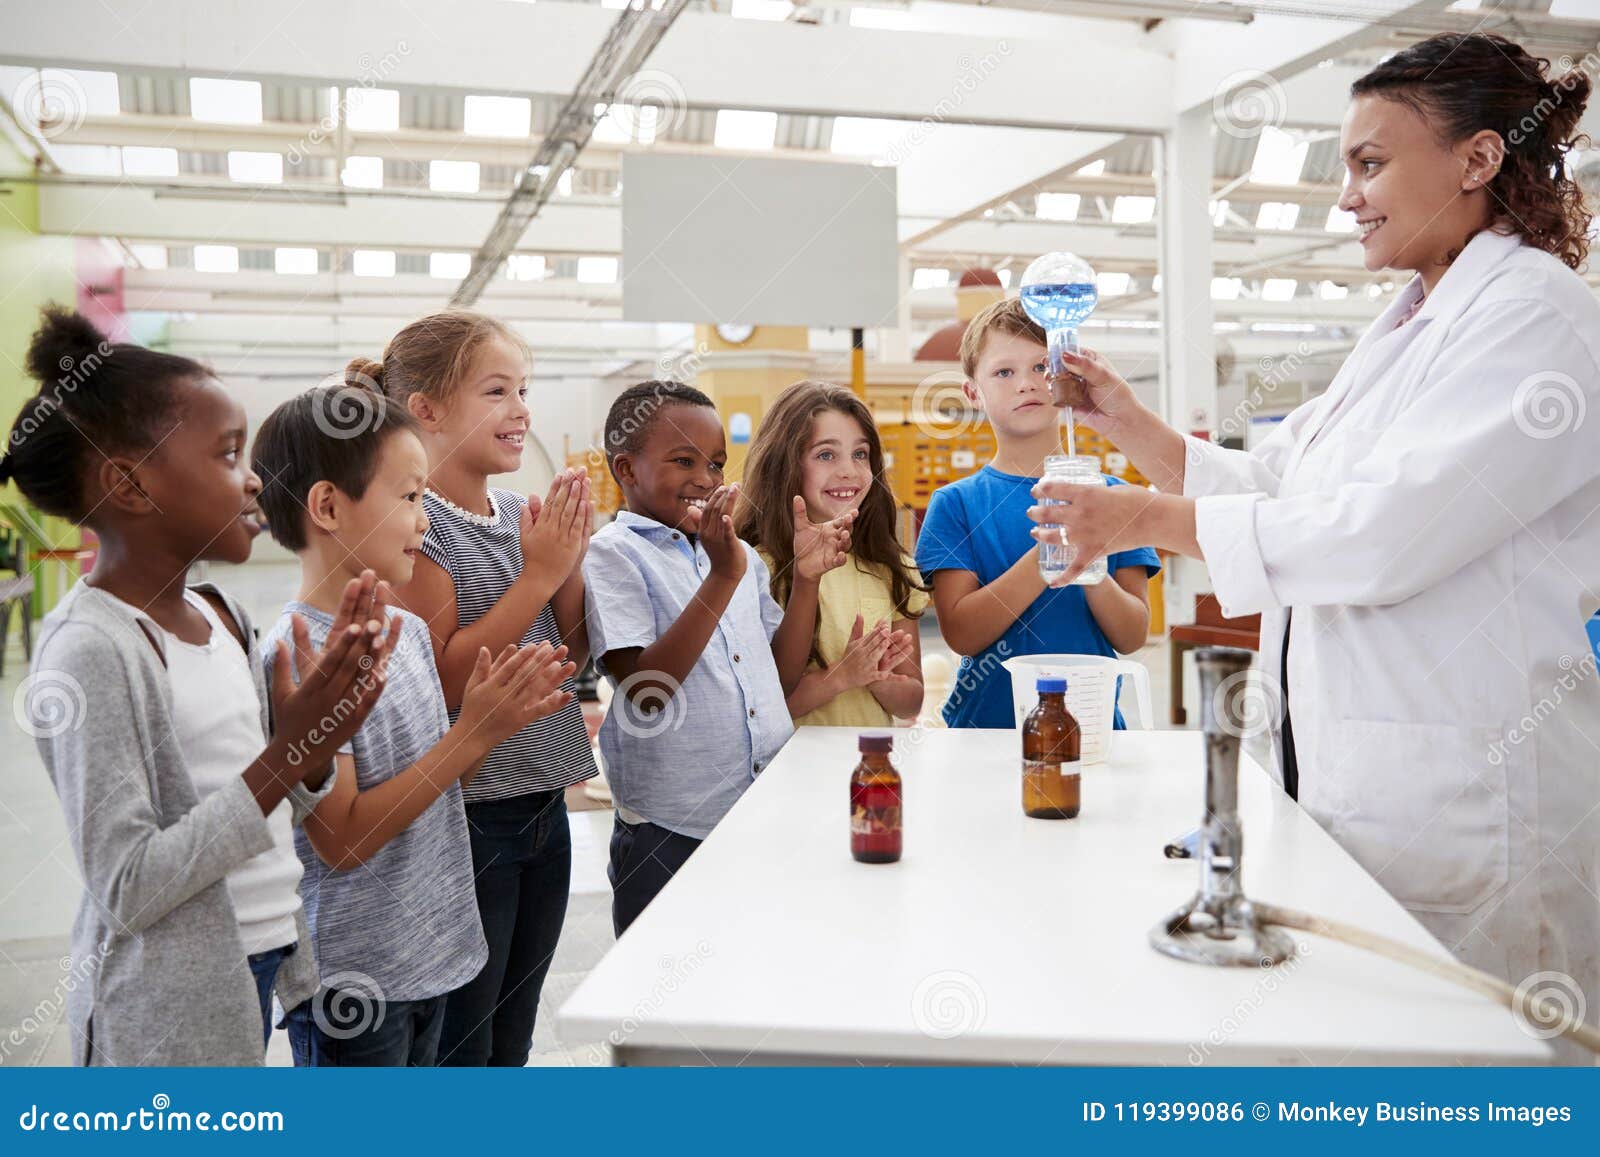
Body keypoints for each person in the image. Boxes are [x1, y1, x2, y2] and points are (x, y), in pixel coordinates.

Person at [1032, 33, 1600, 1057]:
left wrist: (1140, 521)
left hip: (1470, 797)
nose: (1345, 198)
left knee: (1494, 1081)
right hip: (1361, 781)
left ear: (1477, 160)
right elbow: (1288, 489)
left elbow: (1380, 535)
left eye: (1369, 163)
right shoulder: (1408, 323)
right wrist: (1129, 425)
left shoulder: (1537, 320)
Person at [3, 307, 391, 1065]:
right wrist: (285, 753)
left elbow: (265, 796)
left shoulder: (223, 616)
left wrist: (317, 743)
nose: (252, 479)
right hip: (163, 1008)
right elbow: (129, 883)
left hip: (259, 962)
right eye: (227, 454)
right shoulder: (92, 649)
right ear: (130, 485)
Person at [253, 376, 574, 1066]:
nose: (425, 518)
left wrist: (500, 716)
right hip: (358, 981)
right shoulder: (298, 654)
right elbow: (341, 839)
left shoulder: (404, 629)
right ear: (329, 506)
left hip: (436, 955)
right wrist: (475, 731)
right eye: (409, 496)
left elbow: (444, 781)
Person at [381, 311, 597, 1066]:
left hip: (545, 801)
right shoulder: (420, 529)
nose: (521, 410)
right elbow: (443, 674)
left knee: (515, 1032)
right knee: (466, 1039)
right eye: (497, 391)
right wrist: (539, 570)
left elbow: (567, 649)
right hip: (473, 815)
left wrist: (570, 563)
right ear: (427, 410)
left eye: (524, 390)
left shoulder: (518, 514)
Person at [582, 380, 851, 934]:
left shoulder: (739, 555)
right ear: (626, 470)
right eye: (684, 461)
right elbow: (647, 691)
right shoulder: (615, 554)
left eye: (717, 463)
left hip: (764, 807)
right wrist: (722, 575)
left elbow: (778, 676)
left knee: (755, 968)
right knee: (661, 981)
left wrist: (803, 581)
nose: (706, 479)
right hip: (670, 829)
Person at [915, 297, 1161, 728]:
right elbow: (963, 635)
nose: (1026, 384)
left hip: (1090, 729)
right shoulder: (955, 505)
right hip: (984, 736)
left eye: (1042, 368)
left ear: (1071, 381)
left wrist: (1092, 567)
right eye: (1004, 372)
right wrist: (1050, 549)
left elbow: (1132, 635)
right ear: (974, 392)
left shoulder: (1116, 497)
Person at [737, 379, 929, 726]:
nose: (848, 470)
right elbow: (757, 707)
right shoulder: (753, 565)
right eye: (826, 454)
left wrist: (877, 678)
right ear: (784, 464)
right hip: (788, 773)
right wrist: (841, 676)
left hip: (869, 769)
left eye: (860, 454)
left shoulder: (893, 566)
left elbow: (912, 702)